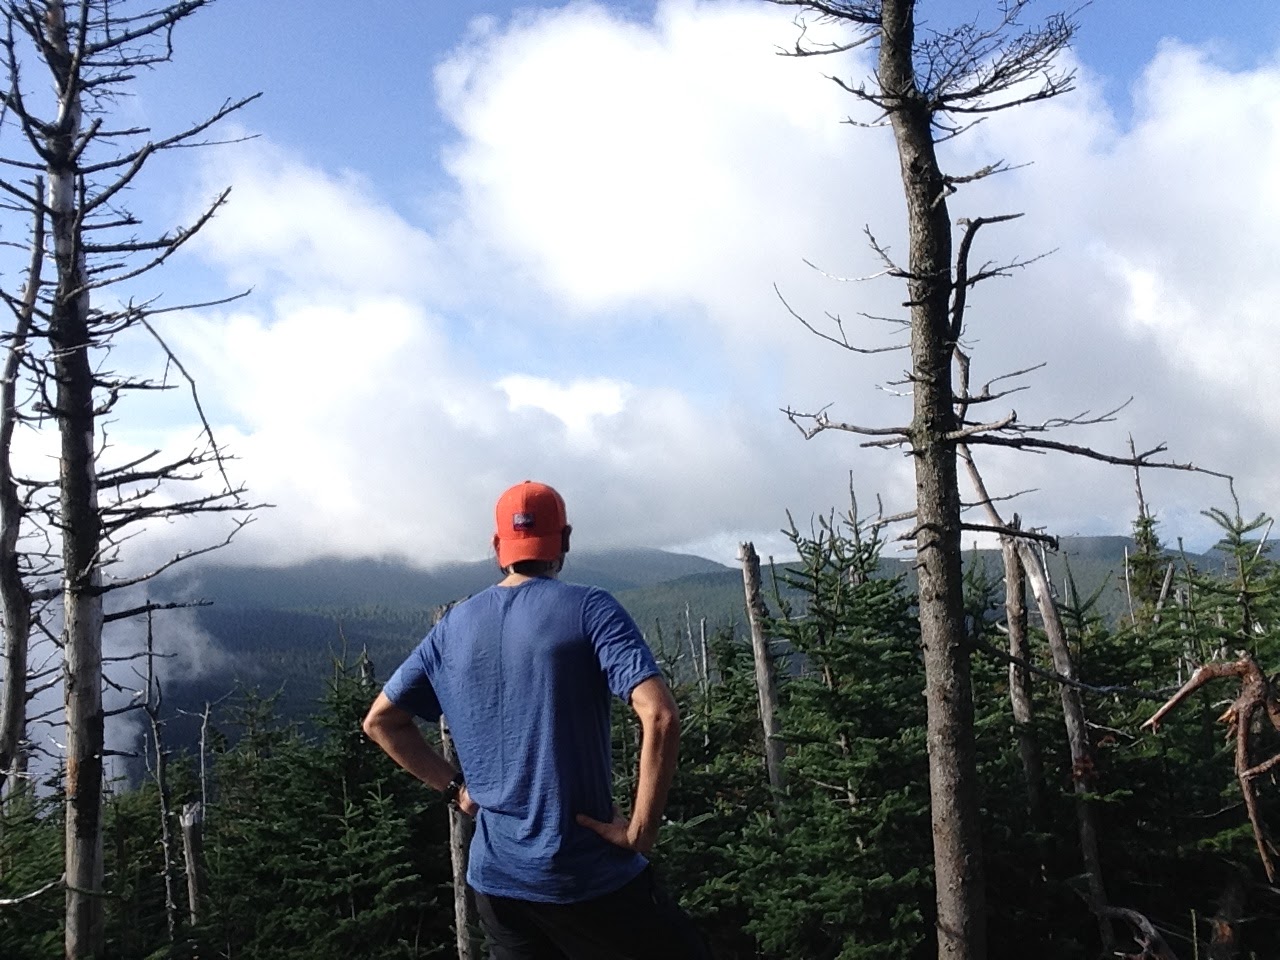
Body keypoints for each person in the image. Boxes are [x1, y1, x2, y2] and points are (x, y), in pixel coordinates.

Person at [363, 480, 708, 960]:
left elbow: (381, 721)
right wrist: (640, 832)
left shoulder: (452, 627)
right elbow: (661, 714)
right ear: (563, 540)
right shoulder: (590, 609)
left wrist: (453, 789)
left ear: (497, 546)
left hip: (497, 885)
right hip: (588, 876)